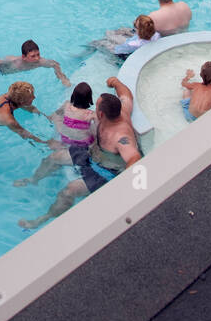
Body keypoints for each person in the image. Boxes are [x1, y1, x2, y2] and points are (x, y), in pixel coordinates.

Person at [18, 76, 141, 230]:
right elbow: (126, 96)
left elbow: (134, 157)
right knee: (53, 158)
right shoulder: (119, 110)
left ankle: (43, 219)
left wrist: (124, 189)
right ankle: (33, 179)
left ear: (101, 114)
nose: (93, 109)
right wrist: (115, 83)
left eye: (96, 107)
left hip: (106, 170)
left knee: (68, 191)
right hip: (90, 153)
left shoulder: (120, 136)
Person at [13, 82, 97, 187]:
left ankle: (33, 179)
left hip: (77, 150)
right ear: (89, 98)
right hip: (73, 145)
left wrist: (49, 119)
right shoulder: (90, 115)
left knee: (49, 159)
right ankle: (43, 175)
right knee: (52, 153)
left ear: (73, 95)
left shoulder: (67, 106)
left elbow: (56, 114)